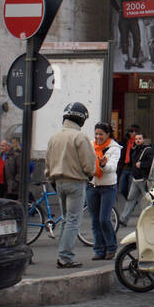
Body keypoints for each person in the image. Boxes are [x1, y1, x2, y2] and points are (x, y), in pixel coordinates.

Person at [45, 102, 97, 268]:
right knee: (74, 221)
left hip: (58, 182)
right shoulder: (79, 137)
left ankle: (62, 253)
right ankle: (65, 257)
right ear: (81, 119)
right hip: (75, 182)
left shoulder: (54, 137)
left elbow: (48, 162)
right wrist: (90, 174)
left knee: (66, 220)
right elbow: (89, 164)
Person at [88, 122, 121, 260]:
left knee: (104, 219)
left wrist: (103, 164)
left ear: (108, 134)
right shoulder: (90, 145)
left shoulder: (114, 148)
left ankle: (111, 247)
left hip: (108, 187)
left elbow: (112, 168)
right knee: (95, 220)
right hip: (92, 185)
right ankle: (99, 249)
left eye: (101, 134)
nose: (98, 137)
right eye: (96, 134)